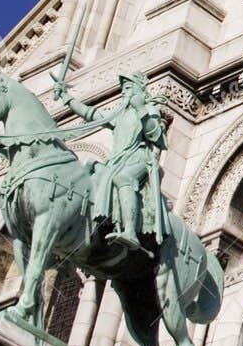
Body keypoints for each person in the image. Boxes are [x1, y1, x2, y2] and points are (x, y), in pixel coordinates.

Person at [51, 71, 166, 251]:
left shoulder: (150, 110)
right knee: (91, 170)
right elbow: (91, 114)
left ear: (139, 90)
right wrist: (66, 97)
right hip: (117, 160)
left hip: (140, 158)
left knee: (123, 178)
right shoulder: (120, 115)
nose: (124, 93)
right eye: (122, 90)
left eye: (128, 88)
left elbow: (156, 137)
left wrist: (141, 109)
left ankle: (130, 232)